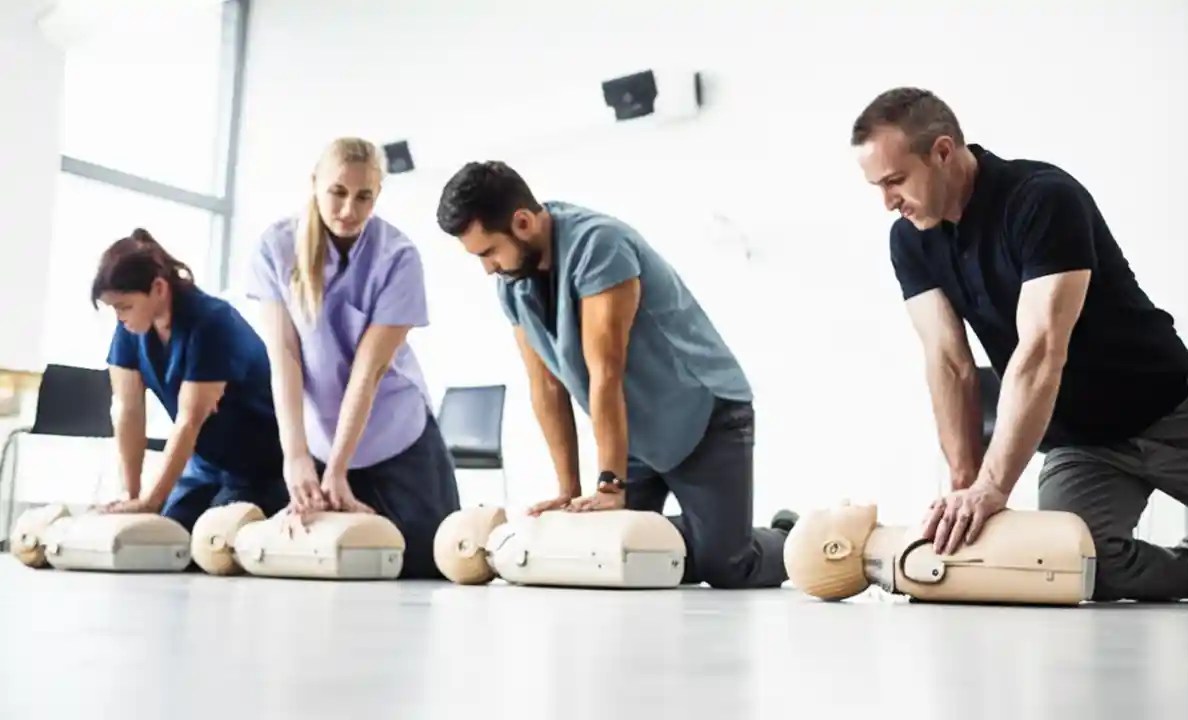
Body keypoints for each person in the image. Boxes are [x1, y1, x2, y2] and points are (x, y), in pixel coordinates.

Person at [851, 86, 1188, 602]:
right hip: (1082, 444)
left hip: (1174, 414)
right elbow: (948, 362)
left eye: (895, 181)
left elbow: (1041, 350)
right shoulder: (910, 238)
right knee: (1076, 571)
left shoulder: (1041, 197)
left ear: (942, 151)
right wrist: (964, 486)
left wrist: (993, 486)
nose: (887, 202)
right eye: (877, 186)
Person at [434, 160, 794, 589]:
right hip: (636, 434)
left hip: (704, 415)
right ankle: (712, 532)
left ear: (523, 222)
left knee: (728, 567)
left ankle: (789, 536)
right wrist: (568, 489)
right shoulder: (512, 282)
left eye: (488, 252)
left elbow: (605, 371)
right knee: (614, 557)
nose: (488, 268)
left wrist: (608, 483)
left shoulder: (599, 245)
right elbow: (546, 385)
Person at [246, 137, 460, 579]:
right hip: (320, 432)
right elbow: (284, 356)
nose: (349, 210)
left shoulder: (398, 257)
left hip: (394, 429)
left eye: (364, 197)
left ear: (378, 195)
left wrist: (338, 467)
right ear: (315, 184)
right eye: (338, 193)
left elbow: (371, 369)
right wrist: (296, 456)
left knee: (429, 559)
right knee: (327, 558)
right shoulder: (275, 247)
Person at [93, 229, 288, 531]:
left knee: (211, 540)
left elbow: (189, 420)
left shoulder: (212, 322)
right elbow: (128, 411)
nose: (119, 317)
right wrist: (131, 496)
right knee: (163, 533)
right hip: (206, 465)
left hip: (261, 467)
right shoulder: (131, 328)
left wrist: (150, 502)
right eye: (114, 309)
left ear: (159, 288)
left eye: (125, 306)